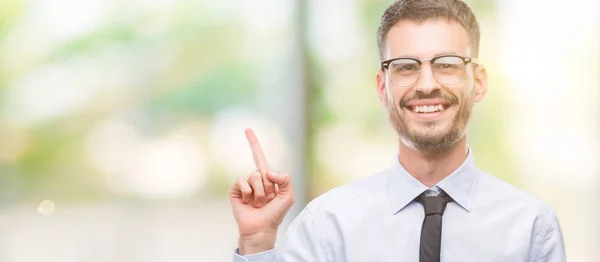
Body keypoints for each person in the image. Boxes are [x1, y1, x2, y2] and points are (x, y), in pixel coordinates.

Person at [228, 0, 566, 261]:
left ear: (477, 83)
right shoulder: (326, 225)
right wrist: (257, 242)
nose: (427, 84)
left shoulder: (532, 228)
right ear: (382, 87)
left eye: (446, 64)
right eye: (405, 67)